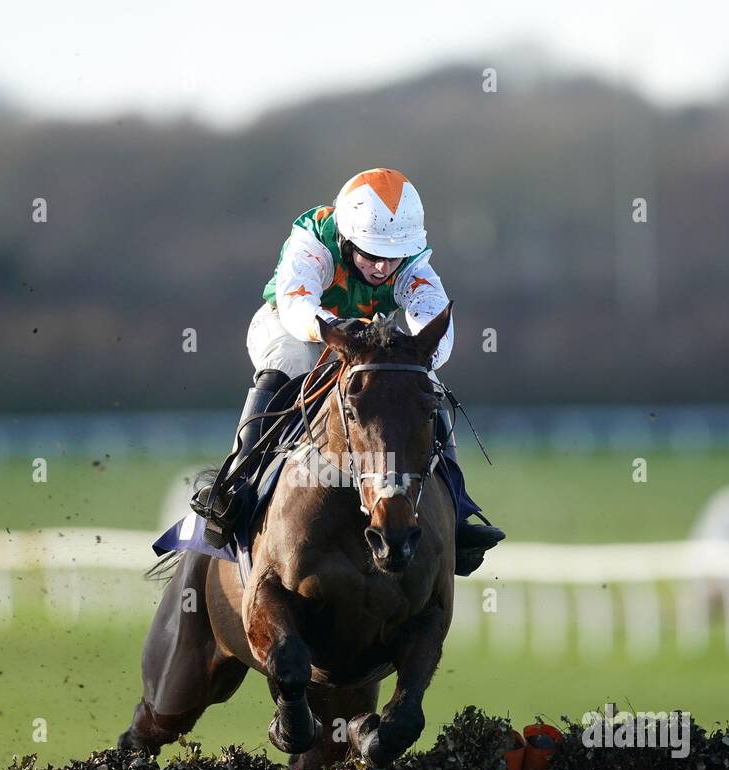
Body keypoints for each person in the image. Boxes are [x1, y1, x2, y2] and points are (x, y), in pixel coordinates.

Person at [192, 167, 504, 574]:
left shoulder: (410, 262)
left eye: (392, 257)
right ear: (346, 238)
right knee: (287, 366)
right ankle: (234, 486)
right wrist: (346, 334)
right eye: (371, 255)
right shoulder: (313, 240)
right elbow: (296, 304)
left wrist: (413, 354)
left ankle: (457, 509)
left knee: (424, 384)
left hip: (366, 347)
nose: (382, 267)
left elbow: (435, 325)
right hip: (296, 329)